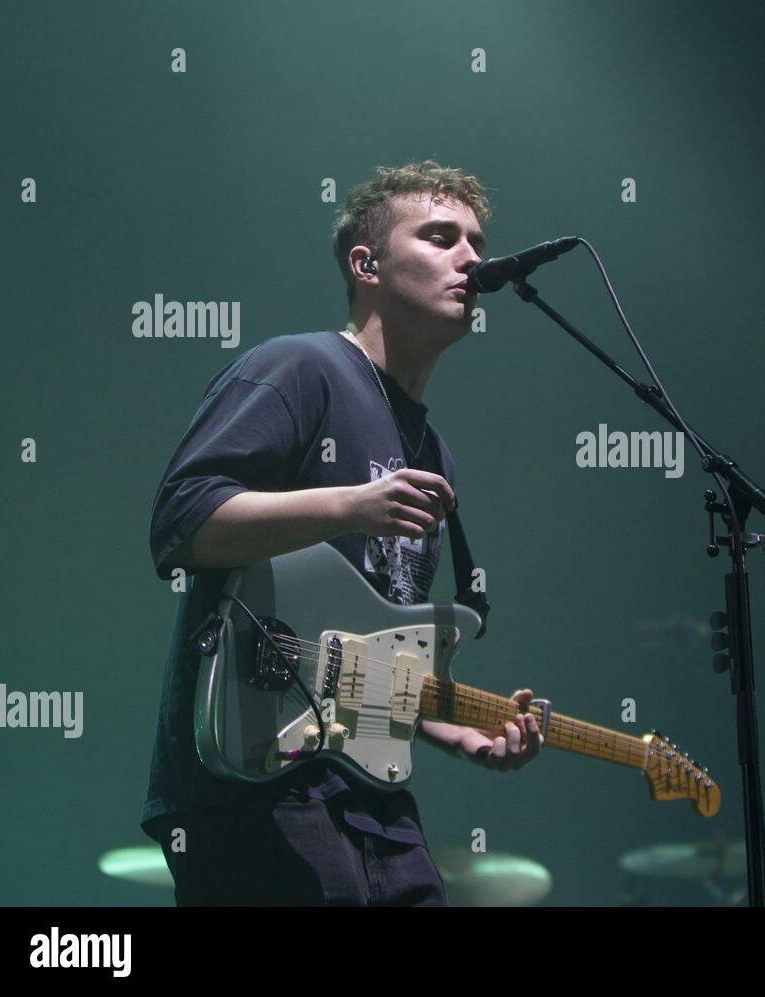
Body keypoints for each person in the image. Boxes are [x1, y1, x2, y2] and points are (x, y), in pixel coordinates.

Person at [140, 160, 542, 905]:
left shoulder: (432, 447)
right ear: (367, 264)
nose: (473, 260)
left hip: (370, 797)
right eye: (441, 237)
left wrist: (449, 725)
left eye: (478, 242)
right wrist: (351, 504)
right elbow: (180, 519)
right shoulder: (301, 367)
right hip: (257, 780)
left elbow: (361, 644)